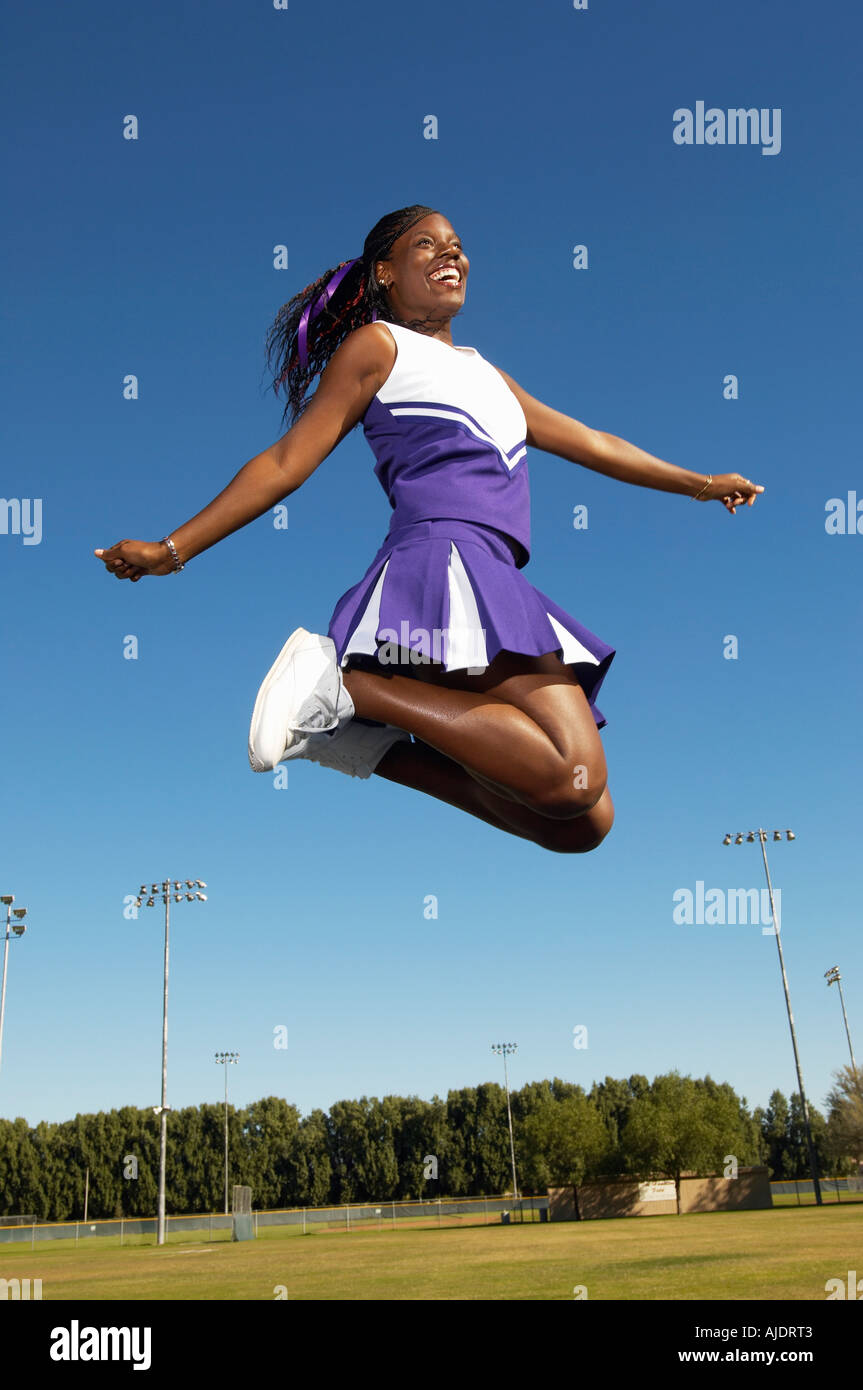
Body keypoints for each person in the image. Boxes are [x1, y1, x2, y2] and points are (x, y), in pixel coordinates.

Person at [95, 204, 764, 853]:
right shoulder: (378, 347)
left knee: (582, 823)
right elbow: (283, 462)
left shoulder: (490, 377)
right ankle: (345, 688)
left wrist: (701, 485)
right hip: (439, 566)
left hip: (496, 580)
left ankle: (356, 738)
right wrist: (171, 549)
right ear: (384, 272)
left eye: (456, 243)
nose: (451, 251)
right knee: (569, 776)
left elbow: (593, 442)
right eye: (427, 243)